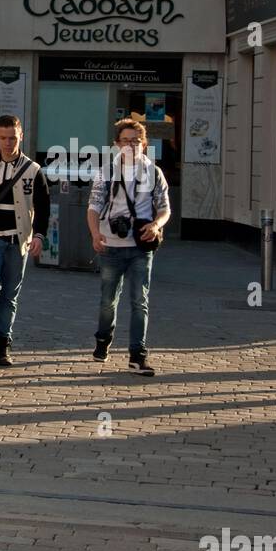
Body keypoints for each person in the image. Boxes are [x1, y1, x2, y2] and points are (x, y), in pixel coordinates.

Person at [87, 117, 170, 377]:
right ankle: (103, 338)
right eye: (126, 141)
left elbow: (165, 208)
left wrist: (156, 225)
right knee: (107, 301)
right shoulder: (106, 171)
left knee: (139, 302)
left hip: (140, 245)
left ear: (144, 144)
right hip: (111, 244)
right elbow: (94, 207)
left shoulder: (153, 172)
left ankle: (138, 356)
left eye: (136, 141)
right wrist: (94, 234)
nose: (131, 145)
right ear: (116, 144)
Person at [0, 114, 49, 368]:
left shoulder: (33, 170)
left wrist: (38, 235)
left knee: (10, 295)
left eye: (12, 138)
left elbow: (43, 206)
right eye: (3, 138)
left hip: (18, 239)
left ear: (21, 136)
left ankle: (3, 344)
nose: (7, 143)